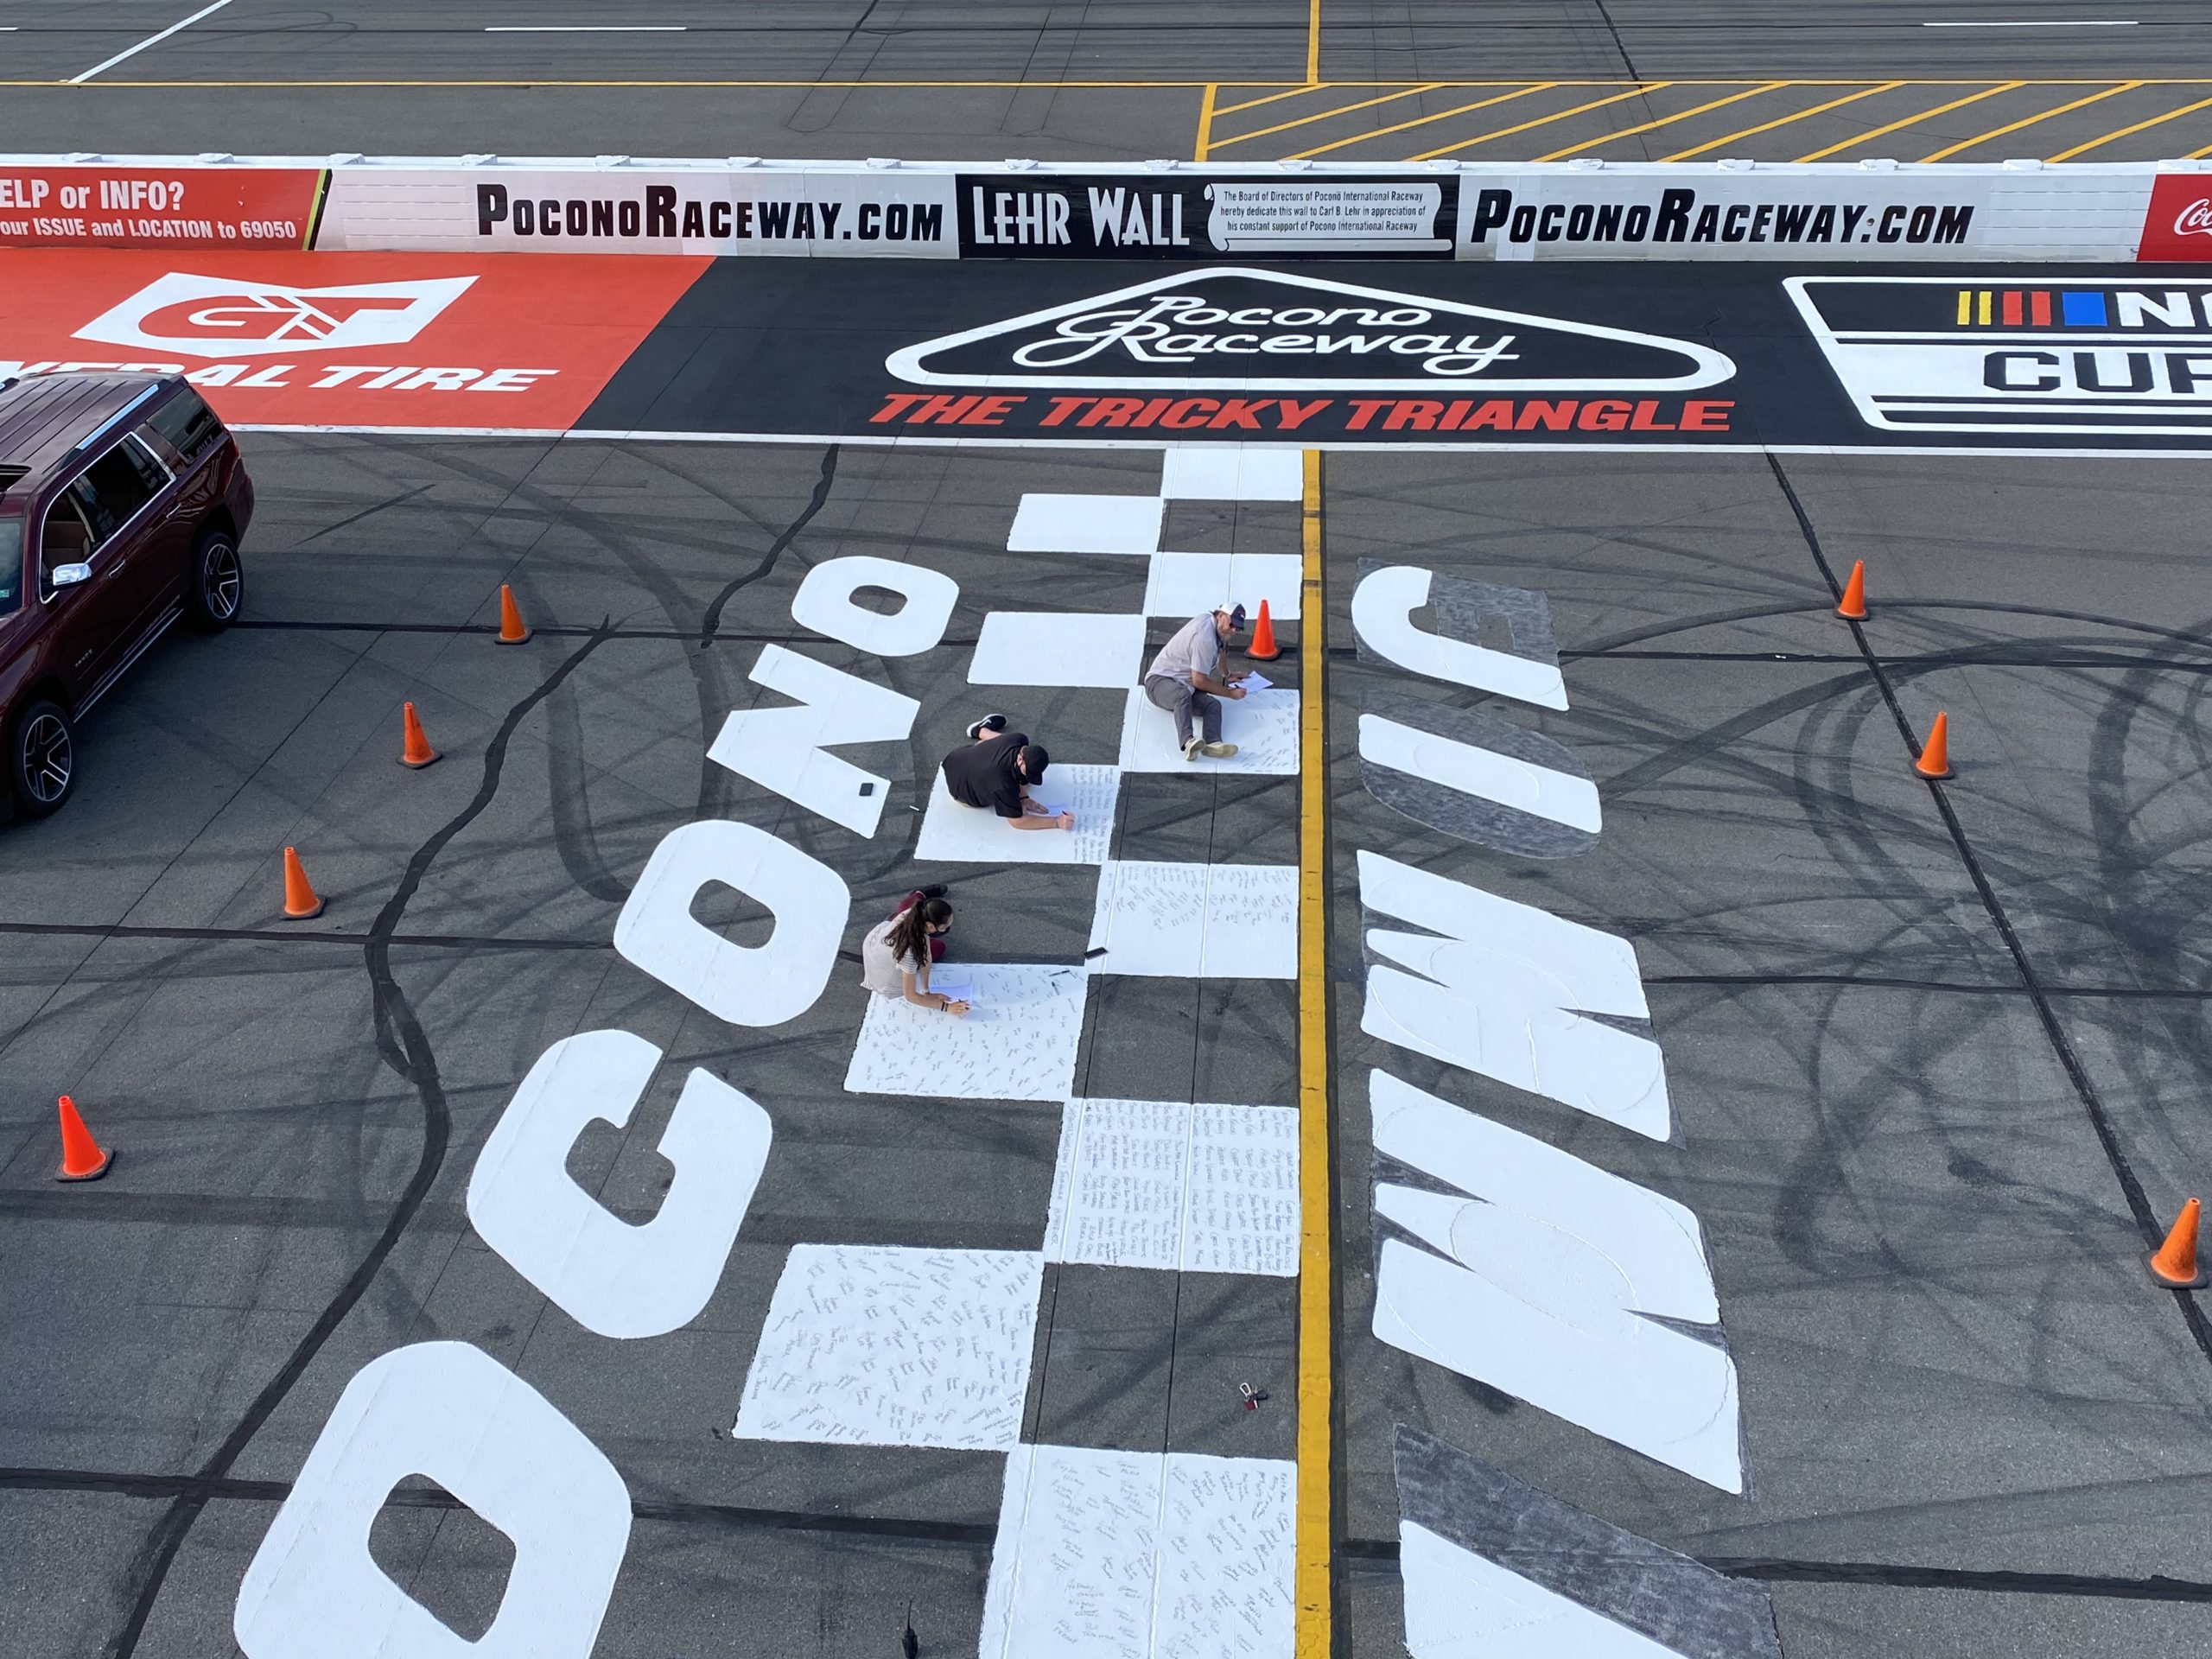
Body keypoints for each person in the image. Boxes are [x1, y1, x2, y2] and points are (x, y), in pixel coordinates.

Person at [1144, 606, 1248, 760]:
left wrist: (1228, 674)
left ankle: (1213, 743)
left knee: (1213, 705)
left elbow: (1222, 651)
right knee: (1182, 695)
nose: (1233, 630)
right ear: (1220, 615)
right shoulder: (1204, 639)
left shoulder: (1215, 627)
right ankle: (1188, 743)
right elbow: (1199, 681)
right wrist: (1230, 693)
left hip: (1185, 684)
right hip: (1159, 682)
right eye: (1232, 624)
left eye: (1238, 628)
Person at [940, 713, 1073, 831]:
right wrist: (1056, 822)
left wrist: (1024, 798)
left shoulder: (1019, 739)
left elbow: (1016, 771)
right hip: (962, 793)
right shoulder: (1002, 784)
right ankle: (981, 731)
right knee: (1025, 785)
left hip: (957, 757)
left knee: (999, 743)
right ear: (1020, 759)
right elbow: (1018, 821)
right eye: (1028, 771)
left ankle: (981, 731)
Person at [861, 894, 968, 1016]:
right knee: (939, 948)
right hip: (883, 977)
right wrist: (946, 1007)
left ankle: (918, 893)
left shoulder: (913, 913)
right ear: (930, 926)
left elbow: (926, 956)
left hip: (874, 942)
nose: (947, 929)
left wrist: (926, 991)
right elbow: (910, 996)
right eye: (944, 928)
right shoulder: (909, 953)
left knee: (904, 909)